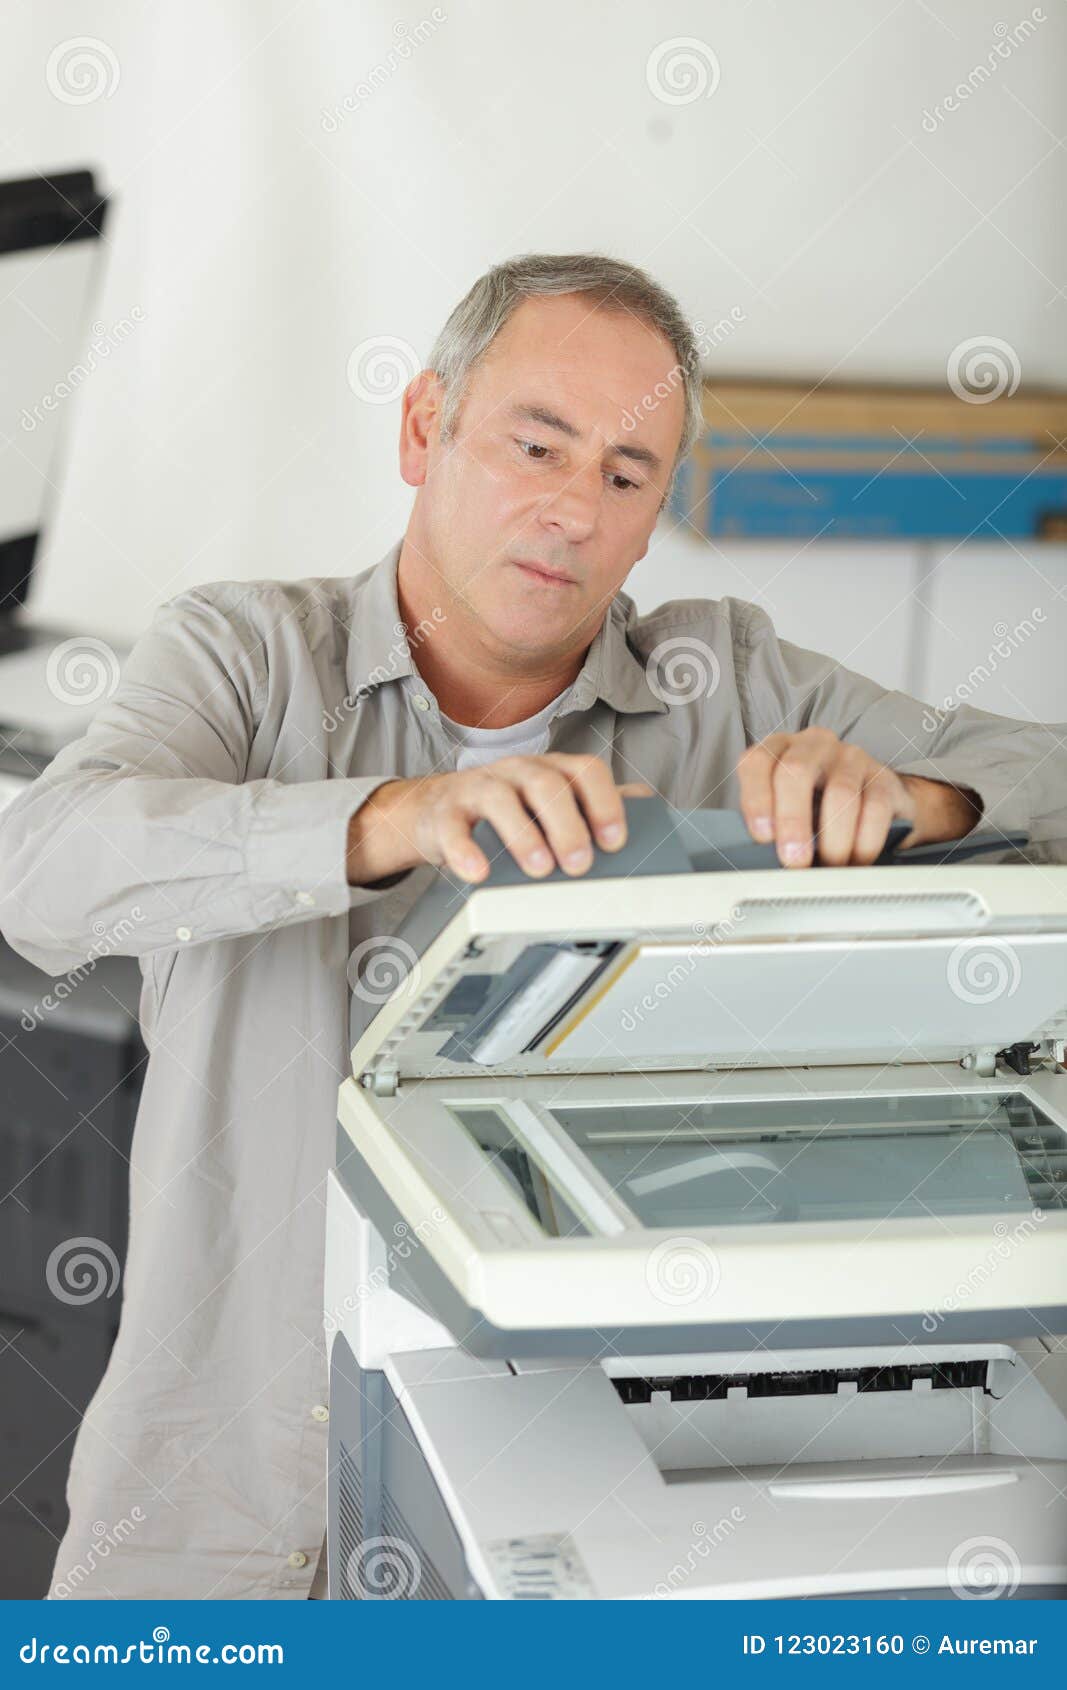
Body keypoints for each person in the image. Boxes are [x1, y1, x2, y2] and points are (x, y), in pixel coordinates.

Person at [1, 253, 1063, 1599]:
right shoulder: (245, 655)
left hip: (551, 1514)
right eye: (536, 444)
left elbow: (1052, 777)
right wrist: (397, 814)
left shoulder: (720, 680)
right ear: (423, 429)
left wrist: (924, 794)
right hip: (204, 1513)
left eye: (626, 475)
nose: (572, 508)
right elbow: (39, 867)